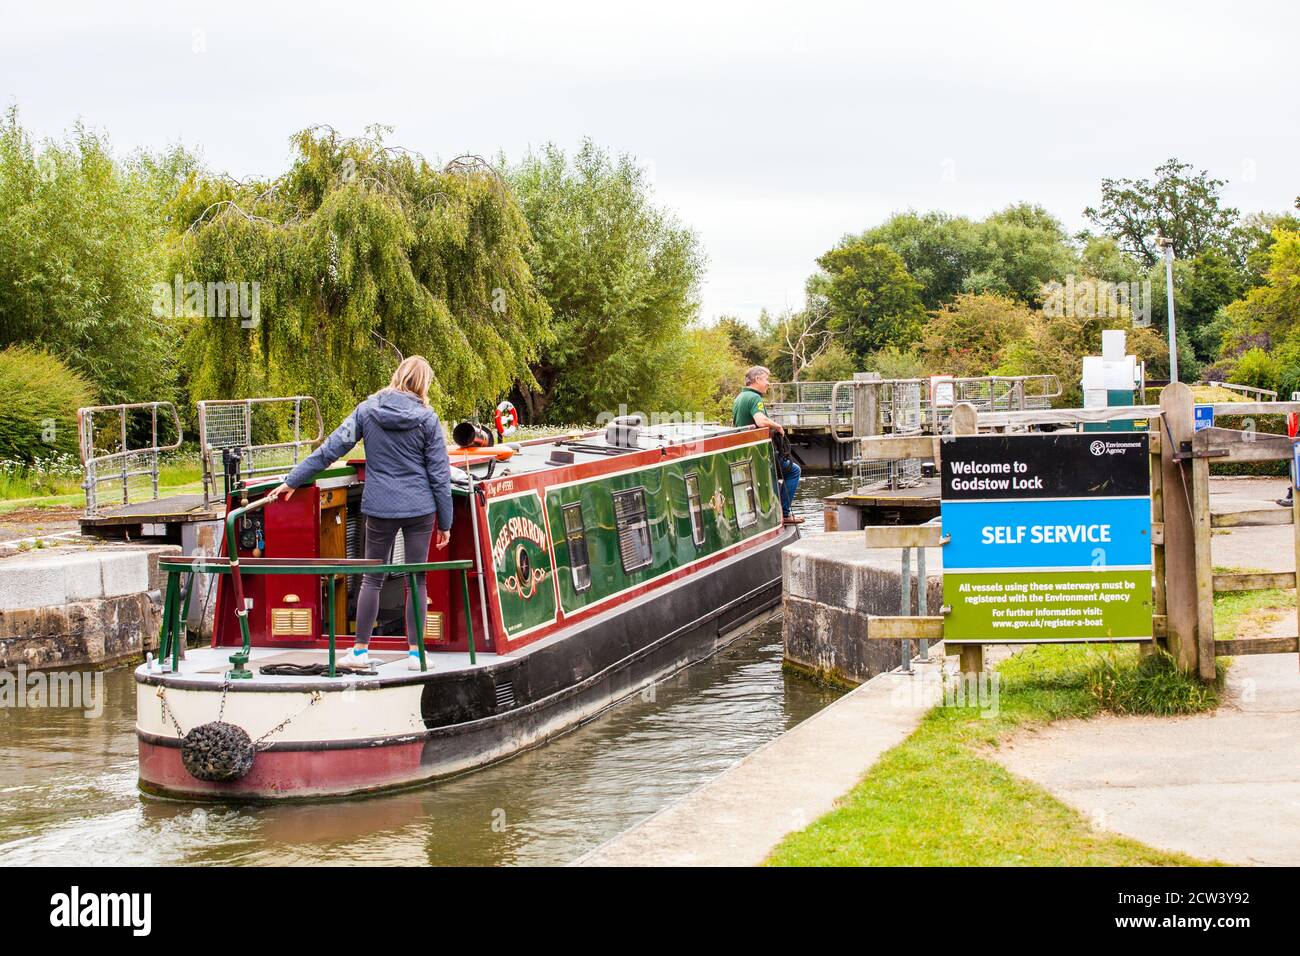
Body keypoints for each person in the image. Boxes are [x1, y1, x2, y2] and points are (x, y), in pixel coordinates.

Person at [266, 356, 454, 670]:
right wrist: (445, 522)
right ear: (424, 384)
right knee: (416, 580)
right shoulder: (428, 419)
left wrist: (291, 480)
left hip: (380, 505)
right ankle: (416, 654)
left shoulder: (367, 410)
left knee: (372, 579)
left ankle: (360, 651)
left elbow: (330, 449)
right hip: (420, 507)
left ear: (397, 376)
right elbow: (439, 474)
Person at [733, 365, 803, 525]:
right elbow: (760, 420)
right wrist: (777, 426)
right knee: (793, 471)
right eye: (766, 379)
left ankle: (768, 511)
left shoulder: (739, 398)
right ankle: (783, 513)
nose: (768, 383)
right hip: (757, 453)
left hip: (745, 452)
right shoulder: (754, 398)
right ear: (757, 379)